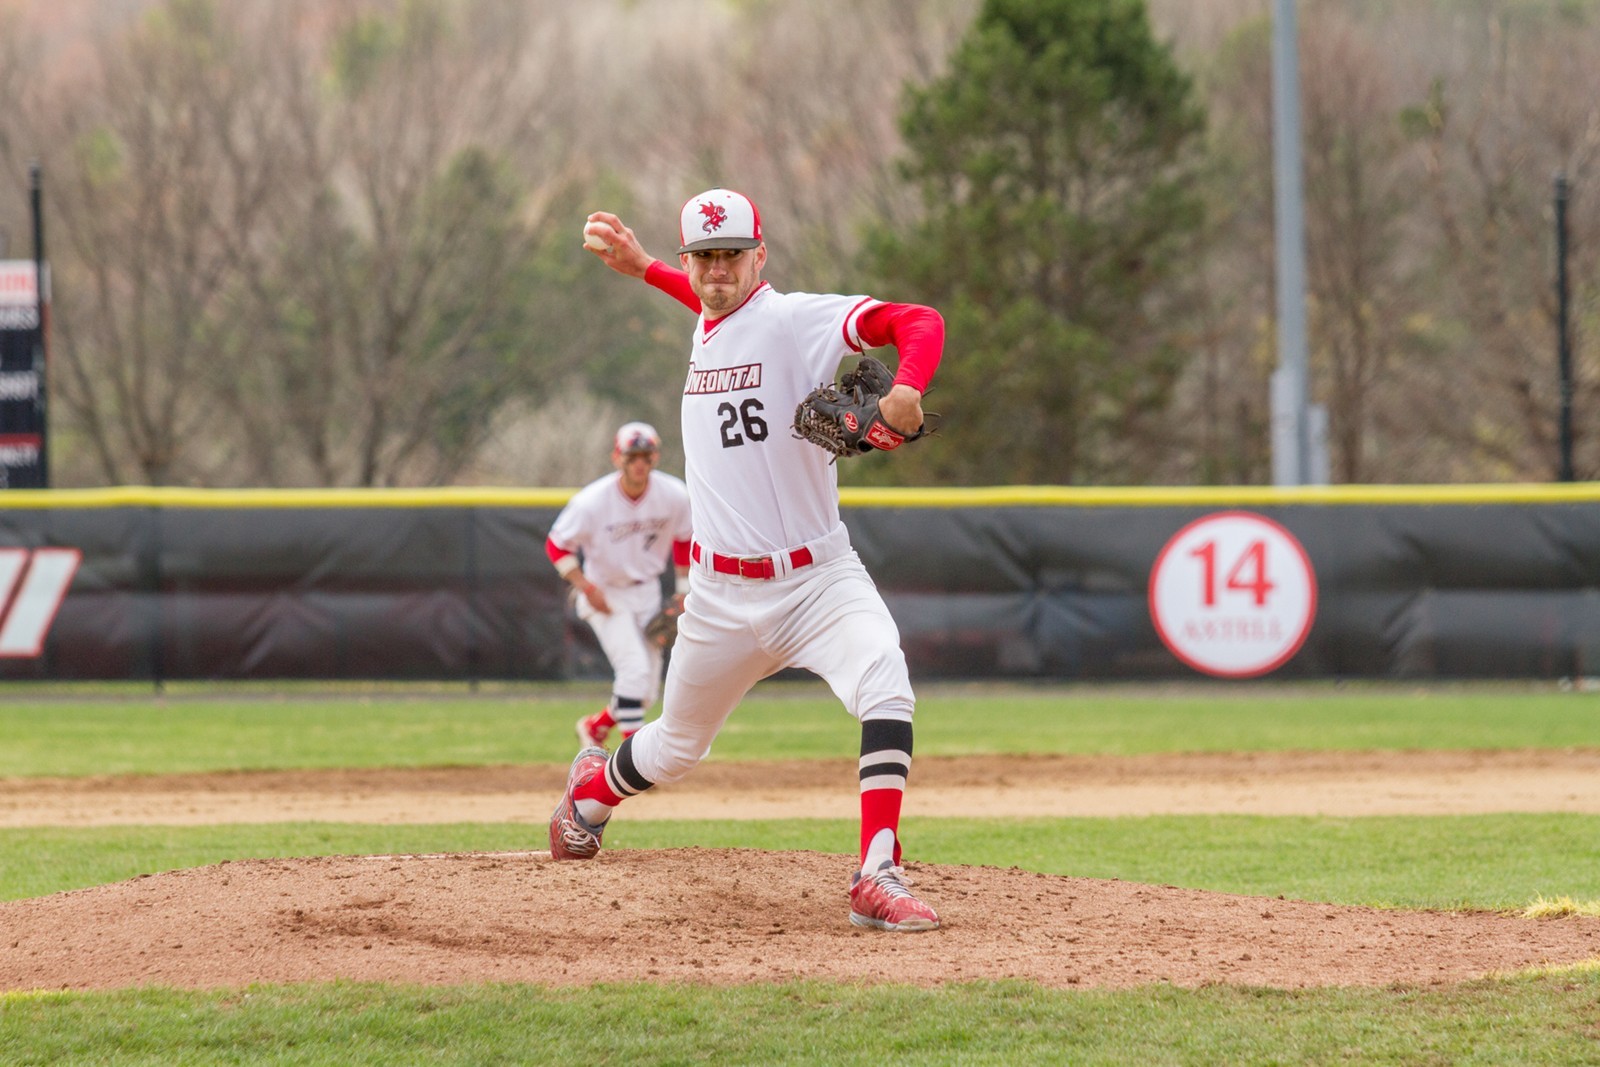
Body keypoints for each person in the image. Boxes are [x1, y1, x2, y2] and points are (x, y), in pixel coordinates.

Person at [549, 188, 946, 933]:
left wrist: (906, 389)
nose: (716, 270)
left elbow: (919, 321)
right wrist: (645, 268)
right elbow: (709, 303)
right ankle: (590, 795)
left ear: (760, 255)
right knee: (675, 747)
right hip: (721, 597)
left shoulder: (795, 320)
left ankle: (876, 872)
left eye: (731, 253)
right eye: (703, 257)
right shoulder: (710, 320)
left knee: (886, 681)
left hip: (819, 580)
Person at [545, 421, 691, 751]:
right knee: (633, 671)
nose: (639, 462)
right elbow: (556, 545)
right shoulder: (592, 501)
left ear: (655, 457)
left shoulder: (673, 494)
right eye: (631, 456)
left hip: (647, 590)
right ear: (617, 458)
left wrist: (683, 590)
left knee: (646, 692)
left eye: (645, 455)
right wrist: (586, 587)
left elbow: (684, 539)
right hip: (605, 593)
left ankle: (595, 727)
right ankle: (633, 757)